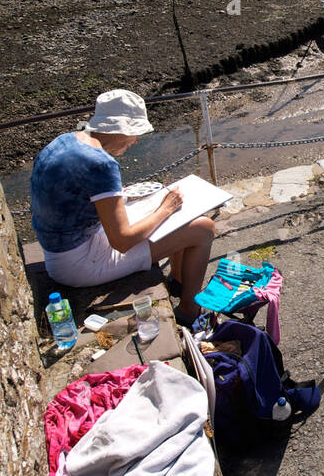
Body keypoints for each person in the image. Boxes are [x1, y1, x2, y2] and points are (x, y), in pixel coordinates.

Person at [30, 89, 214, 322]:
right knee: (203, 228)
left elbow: (73, 198)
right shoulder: (101, 163)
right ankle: (189, 310)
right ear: (121, 129)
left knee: (172, 213)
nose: (135, 141)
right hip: (80, 264)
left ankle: (177, 281)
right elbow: (122, 241)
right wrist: (165, 209)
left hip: (59, 252)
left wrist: (122, 197)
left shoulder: (64, 141)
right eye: (134, 133)